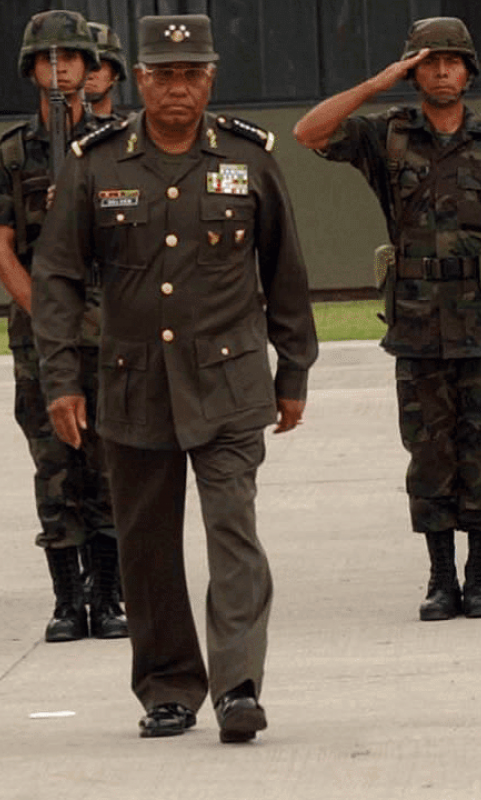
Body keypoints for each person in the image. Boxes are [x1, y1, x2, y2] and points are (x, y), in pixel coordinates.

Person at [33, 14, 318, 743]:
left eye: (192, 75)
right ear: (141, 81)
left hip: (228, 385)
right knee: (146, 544)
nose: (177, 89)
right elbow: (59, 277)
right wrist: (62, 380)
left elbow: (284, 270)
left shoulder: (248, 159)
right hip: (133, 387)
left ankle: (239, 685)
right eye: (163, 75)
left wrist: (295, 369)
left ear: (210, 79)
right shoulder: (97, 164)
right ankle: (167, 686)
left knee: (233, 535)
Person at [293, 16, 481, 622]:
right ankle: (440, 577)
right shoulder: (388, 137)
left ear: (469, 72)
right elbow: (307, 132)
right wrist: (376, 84)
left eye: (453, 61)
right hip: (420, 327)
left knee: (480, 452)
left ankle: (479, 576)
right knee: (429, 455)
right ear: (414, 72)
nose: (443, 71)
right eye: (430, 62)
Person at [0, 9, 127, 643]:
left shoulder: (119, 143)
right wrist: (47, 314)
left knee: (113, 464)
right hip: (40, 335)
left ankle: (111, 596)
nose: (61, 69)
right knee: (54, 463)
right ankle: (68, 599)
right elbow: (0, 245)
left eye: (72, 58)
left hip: (114, 331)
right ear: (32, 70)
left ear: (93, 70)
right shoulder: (14, 151)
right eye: (49, 59)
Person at [85, 21, 129, 121]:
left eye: (96, 67)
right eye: (81, 67)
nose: (88, 75)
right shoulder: (48, 129)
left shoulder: (134, 129)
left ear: (115, 74)